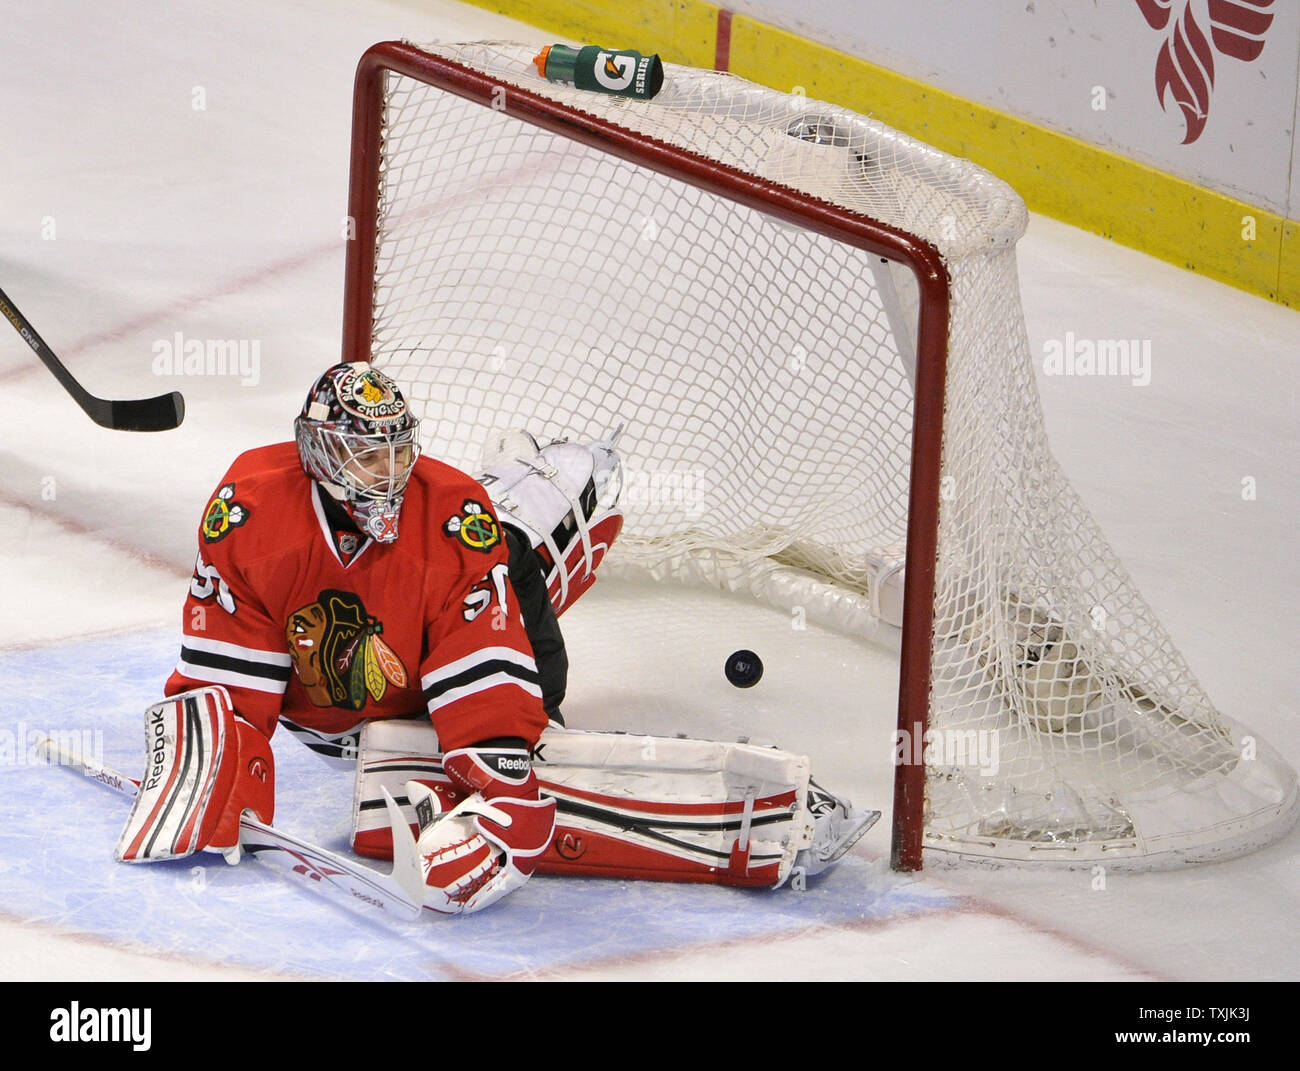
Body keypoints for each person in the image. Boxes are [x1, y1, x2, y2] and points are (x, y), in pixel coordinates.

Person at [115, 360, 874, 915]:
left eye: (397, 447)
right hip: (350, 697)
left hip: (471, 633)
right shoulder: (250, 508)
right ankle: (524, 485)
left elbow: (484, 679)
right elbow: (228, 667)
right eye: (365, 453)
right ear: (318, 452)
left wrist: (505, 791)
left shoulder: (451, 521)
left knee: (508, 554)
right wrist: (214, 762)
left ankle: (547, 497)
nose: (388, 470)